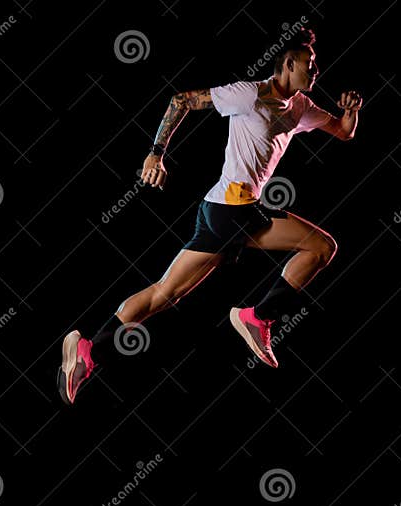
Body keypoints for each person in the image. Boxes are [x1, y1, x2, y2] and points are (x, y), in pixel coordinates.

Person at [58, 27, 363, 405]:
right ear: (287, 64)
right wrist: (156, 153)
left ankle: (88, 350)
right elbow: (182, 100)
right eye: (308, 64)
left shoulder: (300, 106)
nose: (315, 70)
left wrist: (351, 112)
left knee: (165, 294)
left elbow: (343, 131)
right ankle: (256, 317)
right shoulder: (250, 94)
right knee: (320, 247)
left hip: (231, 212)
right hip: (231, 211)